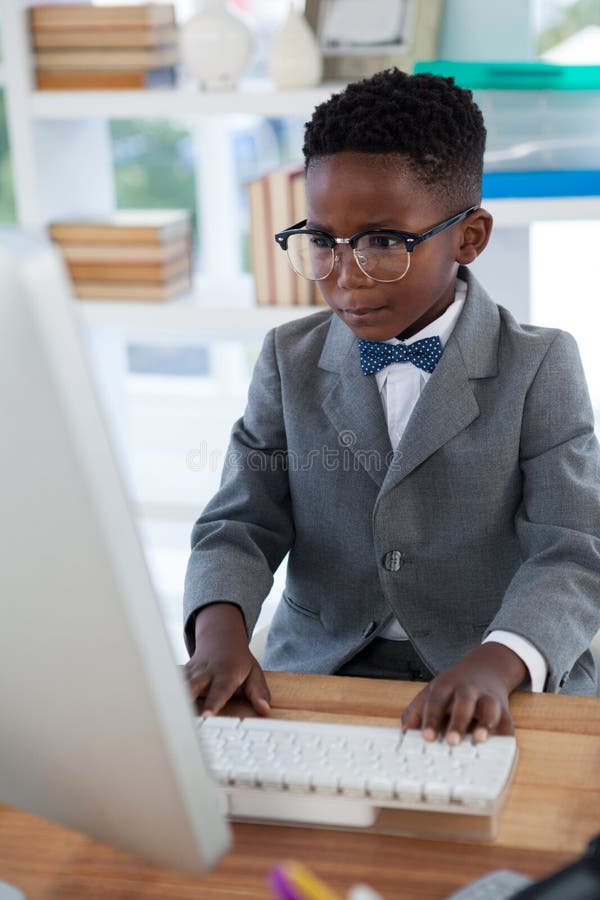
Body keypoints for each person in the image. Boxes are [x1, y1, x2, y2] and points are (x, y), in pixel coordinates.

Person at [183, 68, 600, 744]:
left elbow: (573, 551)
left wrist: (498, 662)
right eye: (322, 241)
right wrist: (219, 637)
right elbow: (240, 522)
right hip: (320, 671)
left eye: (383, 242)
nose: (346, 278)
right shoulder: (288, 361)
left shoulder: (540, 366)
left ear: (470, 238)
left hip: (493, 674)